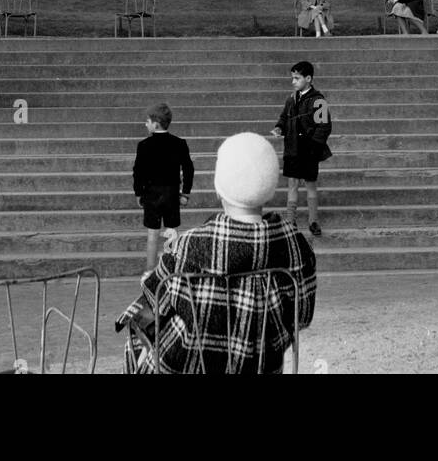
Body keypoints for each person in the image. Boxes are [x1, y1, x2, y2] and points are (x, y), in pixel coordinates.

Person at [116, 131, 316, 375]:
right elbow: (302, 317)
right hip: (261, 366)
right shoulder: (296, 247)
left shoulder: (187, 248)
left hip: (186, 366)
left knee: (142, 324)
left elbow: (155, 299)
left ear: (218, 188)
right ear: (272, 188)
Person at [133, 102, 195, 271]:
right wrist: (186, 193)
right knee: (172, 232)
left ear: (156, 123)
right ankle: (171, 270)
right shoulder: (179, 143)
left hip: (151, 195)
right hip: (172, 194)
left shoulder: (144, 145)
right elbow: (188, 169)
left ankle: (149, 272)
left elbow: (138, 172)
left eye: (148, 121)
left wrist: (139, 193)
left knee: (152, 234)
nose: (146, 124)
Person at [271, 61, 331, 236]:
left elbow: (324, 127)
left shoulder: (318, 100)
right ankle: (291, 221)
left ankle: (313, 221)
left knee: (311, 184)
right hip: (292, 149)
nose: (293, 82)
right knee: (292, 184)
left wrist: (314, 146)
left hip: (309, 150)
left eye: (297, 78)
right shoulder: (291, 98)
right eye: (292, 78)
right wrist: (279, 127)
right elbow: (284, 117)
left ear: (308, 78)